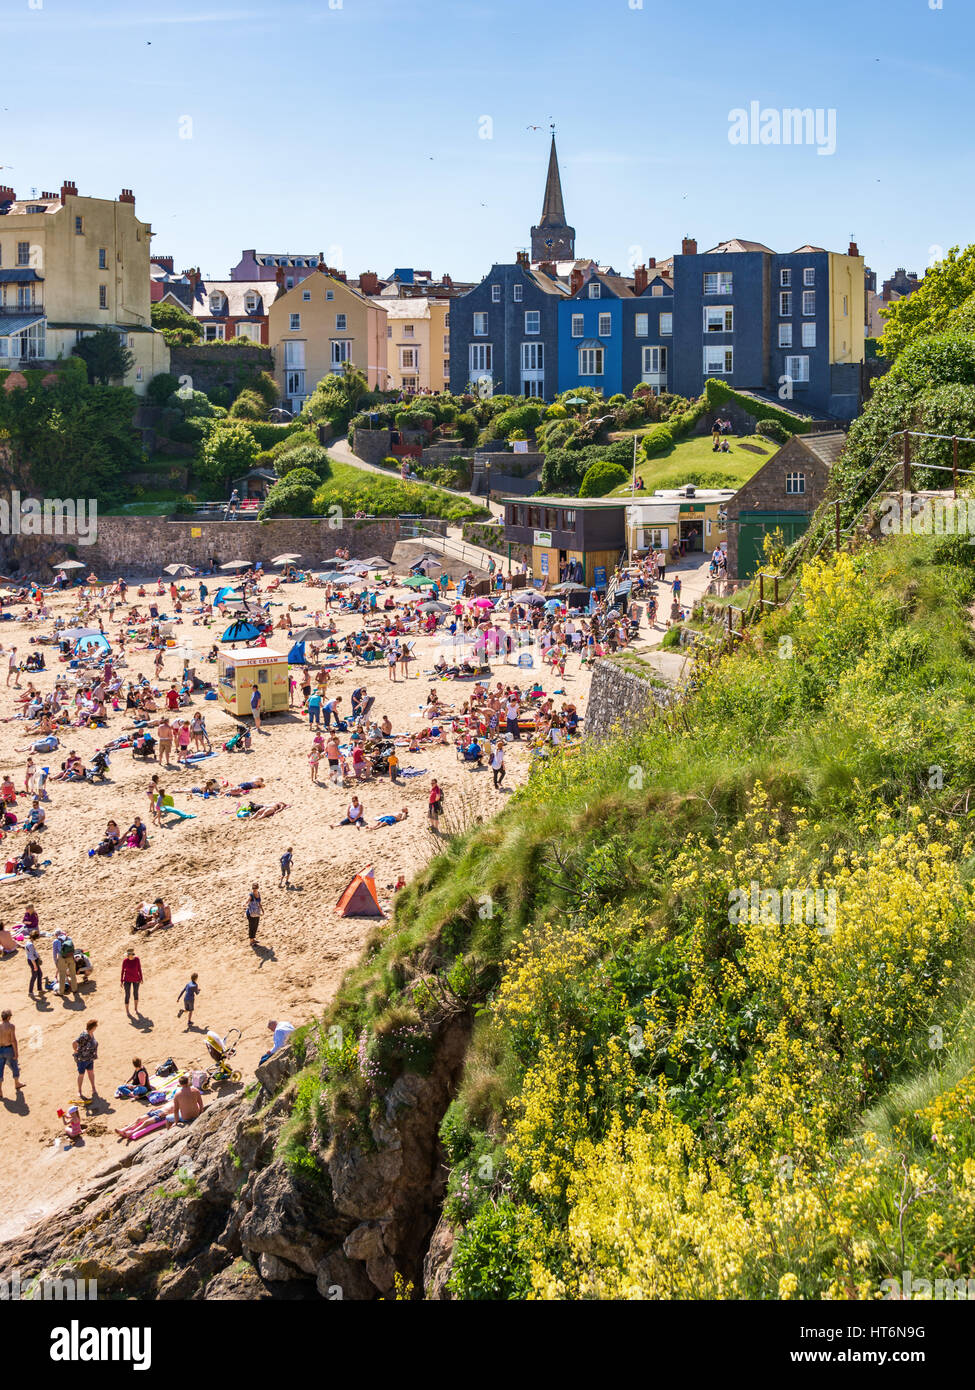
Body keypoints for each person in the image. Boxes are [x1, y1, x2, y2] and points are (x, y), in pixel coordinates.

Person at [0, 1010, 24, 1099]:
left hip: (0, 1049)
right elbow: (13, 1040)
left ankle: (0, 1090)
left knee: (0, 1070)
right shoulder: (11, 1026)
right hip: (8, 1049)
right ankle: (17, 1083)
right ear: (8, 1017)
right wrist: (16, 1052)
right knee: (14, 1066)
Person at [73, 1018, 98, 1101]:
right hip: (82, 1060)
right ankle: (79, 1090)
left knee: (91, 1073)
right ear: (93, 1027)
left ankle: (93, 1088)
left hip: (90, 1058)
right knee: (81, 1075)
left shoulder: (91, 1033)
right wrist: (75, 1050)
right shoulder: (84, 1035)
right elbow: (74, 1042)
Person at [54, 929, 78, 998]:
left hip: (62, 958)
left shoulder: (56, 941)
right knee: (72, 973)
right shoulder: (69, 938)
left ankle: (61, 992)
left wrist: (56, 962)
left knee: (62, 975)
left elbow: (54, 953)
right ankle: (74, 989)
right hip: (70, 956)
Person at [120, 947, 143, 1015]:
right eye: (128, 954)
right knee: (127, 995)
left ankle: (136, 1009)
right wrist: (121, 981)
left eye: (130, 954)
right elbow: (122, 971)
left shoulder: (137, 960)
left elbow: (139, 969)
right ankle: (127, 1011)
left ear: (132, 954)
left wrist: (141, 978)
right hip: (127, 980)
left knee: (135, 993)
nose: (129, 955)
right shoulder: (125, 961)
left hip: (136, 979)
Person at [25, 929, 43, 998]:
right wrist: (35, 965)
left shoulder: (28, 942)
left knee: (40, 974)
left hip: (32, 960)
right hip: (33, 961)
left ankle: (39, 988)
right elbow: (31, 956)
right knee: (34, 976)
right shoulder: (30, 945)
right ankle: (30, 992)